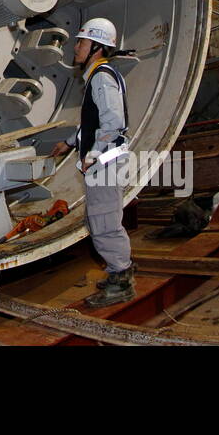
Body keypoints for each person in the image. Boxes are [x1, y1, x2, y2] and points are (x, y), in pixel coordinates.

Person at [50, 17, 136, 307]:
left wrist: (92, 154)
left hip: (105, 164)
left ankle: (121, 280)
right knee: (99, 219)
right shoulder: (97, 75)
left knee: (104, 222)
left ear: (97, 47)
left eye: (82, 42)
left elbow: (114, 122)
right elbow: (94, 122)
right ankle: (118, 272)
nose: (76, 48)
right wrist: (71, 143)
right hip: (103, 163)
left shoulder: (101, 76)